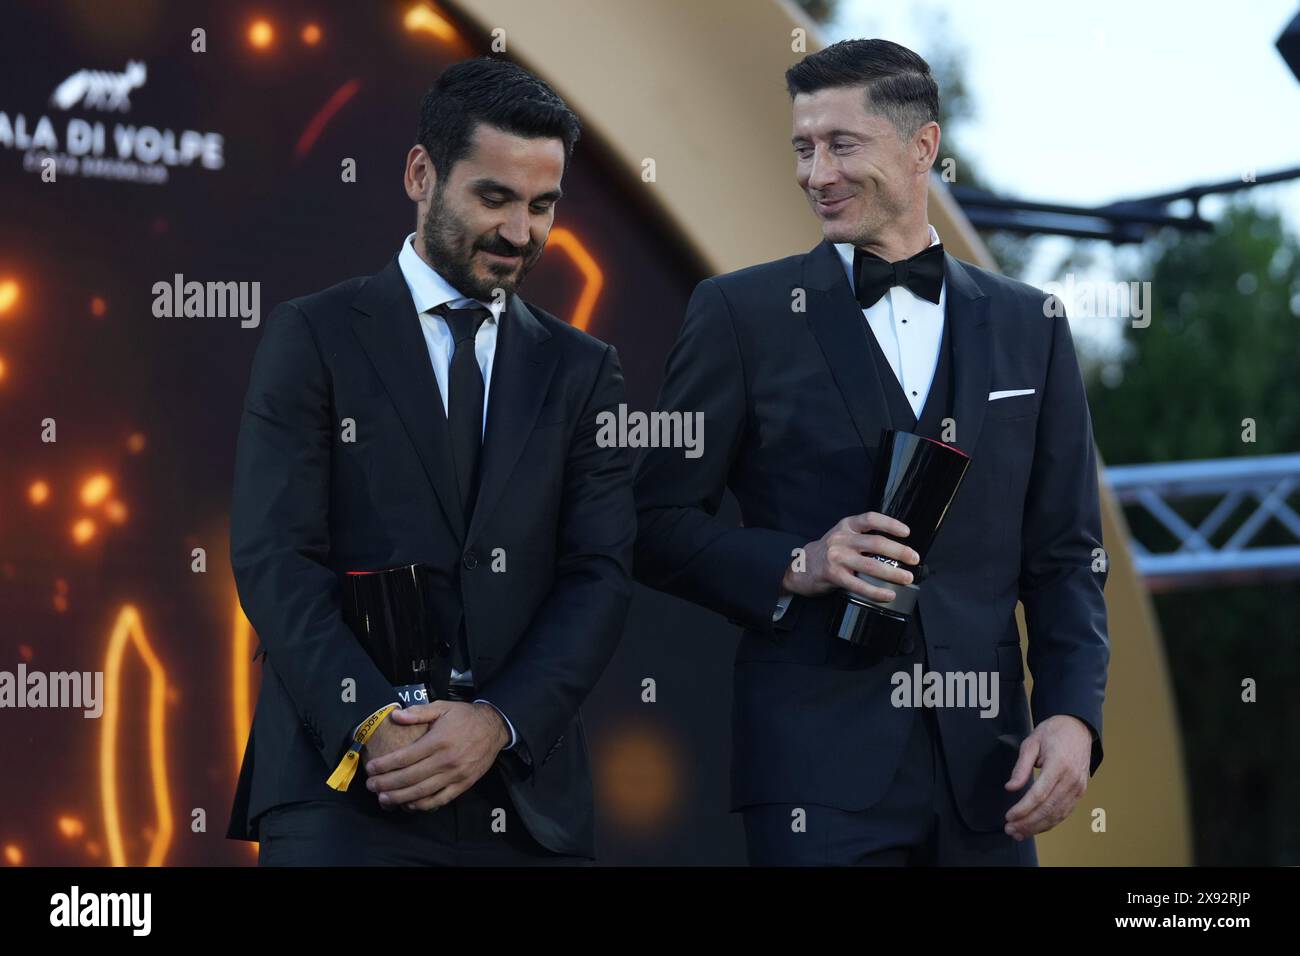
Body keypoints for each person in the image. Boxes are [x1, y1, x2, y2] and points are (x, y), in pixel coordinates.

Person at [633, 38, 1109, 865]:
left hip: (990, 778)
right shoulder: (739, 315)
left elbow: (1067, 554)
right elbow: (653, 522)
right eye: (803, 148)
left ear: (922, 147)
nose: (816, 173)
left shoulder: (1032, 325)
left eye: (840, 145)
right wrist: (798, 561)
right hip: (812, 779)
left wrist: (1071, 715)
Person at [228, 57, 635, 865]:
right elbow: (275, 555)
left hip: (522, 806)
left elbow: (600, 572)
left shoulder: (584, 370)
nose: (521, 233)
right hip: (341, 791)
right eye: (494, 198)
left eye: (541, 205)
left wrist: (496, 724)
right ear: (422, 173)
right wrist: (373, 723)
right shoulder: (315, 335)